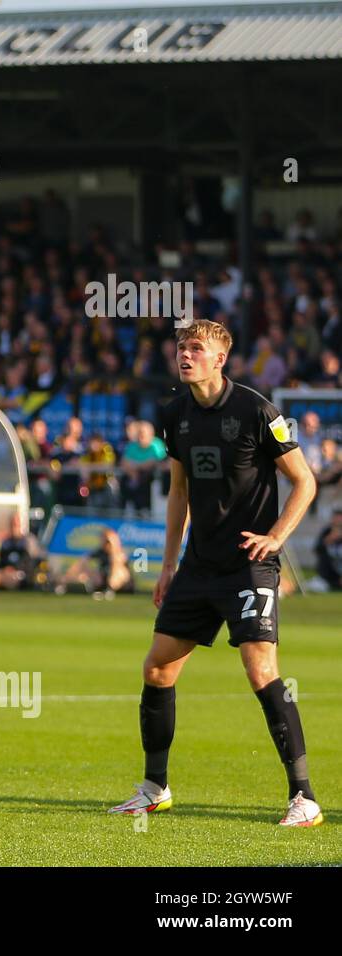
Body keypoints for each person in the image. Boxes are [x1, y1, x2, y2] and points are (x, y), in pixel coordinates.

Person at [109, 320, 323, 828]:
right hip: (198, 566)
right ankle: (155, 788)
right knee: (157, 668)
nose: (185, 355)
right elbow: (179, 491)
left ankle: (304, 797)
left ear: (219, 359)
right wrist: (168, 564)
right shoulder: (174, 414)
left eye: (196, 348)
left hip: (249, 566)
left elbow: (305, 482)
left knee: (260, 670)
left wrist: (276, 537)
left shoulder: (257, 410)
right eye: (181, 347)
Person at [312, 510, 342, 591]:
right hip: (330, 569)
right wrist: (328, 540)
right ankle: (332, 582)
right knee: (324, 559)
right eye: (336, 518)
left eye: (340, 518)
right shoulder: (327, 531)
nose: (338, 521)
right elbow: (317, 549)